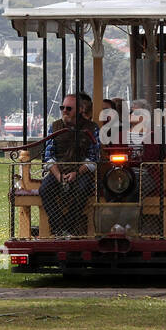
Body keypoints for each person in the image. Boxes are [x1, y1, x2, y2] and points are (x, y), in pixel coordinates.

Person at [40, 93, 99, 237]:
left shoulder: (91, 128)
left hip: (81, 172)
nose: (64, 111)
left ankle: (66, 226)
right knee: (45, 190)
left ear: (79, 110)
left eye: (68, 108)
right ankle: (60, 227)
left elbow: (94, 158)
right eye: (62, 108)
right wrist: (58, 175)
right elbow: (48, 155)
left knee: (83, 189)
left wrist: (77, 173)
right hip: (58, 170)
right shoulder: (54, 126)